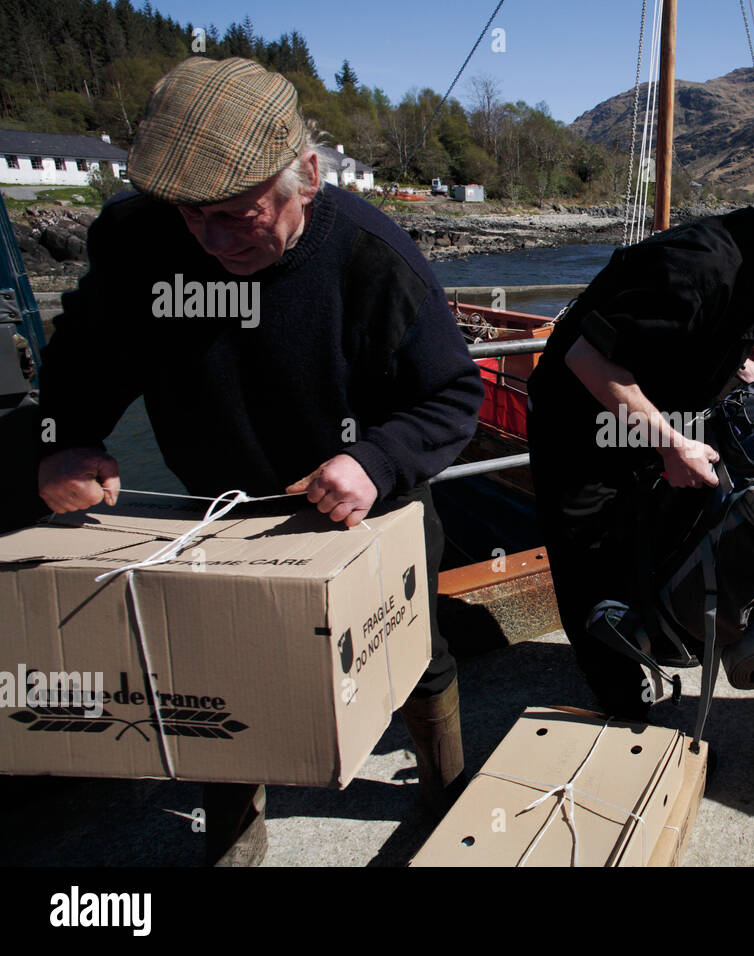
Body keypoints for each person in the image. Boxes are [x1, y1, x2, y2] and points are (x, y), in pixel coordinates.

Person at [33, 57, 484, 863]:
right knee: (217, 666)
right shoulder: (137, 240)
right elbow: (86, 355)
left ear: (307, 175)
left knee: (417, 651)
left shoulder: (375, 257)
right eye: (190, 214)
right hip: (223, 507)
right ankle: (236, 839)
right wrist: (67, 438)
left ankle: (444, 786)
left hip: (371, 503)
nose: (210, 239)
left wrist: (377, 461)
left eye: (238, 213)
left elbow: (451, 395)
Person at [527, 141, 754, 719]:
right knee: (592, 572)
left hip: (652, 424)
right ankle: (623, 707)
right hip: (581, 430)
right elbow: (587, 360)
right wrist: (672, 443)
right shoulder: (697, 266)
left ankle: (651, 641)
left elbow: (720, 348)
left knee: (665, 547)